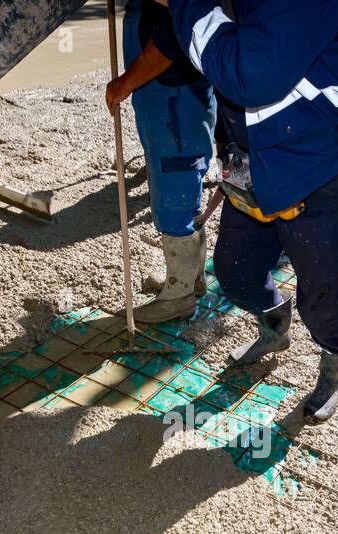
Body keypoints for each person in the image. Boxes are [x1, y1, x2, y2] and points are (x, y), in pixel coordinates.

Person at [168, 0, 338, 424]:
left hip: (323, 157)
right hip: (259, 149)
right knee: (234, 270)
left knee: (324, 292)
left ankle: (332, 366)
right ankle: (274, 327)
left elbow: (254, 74)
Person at [106, 0, 217, 324]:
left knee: (175, 194)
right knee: (181, 187)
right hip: (167, 97)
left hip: (176, 99)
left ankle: (179, 295)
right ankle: (190, 278)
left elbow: (168, 42)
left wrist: (124, 83)